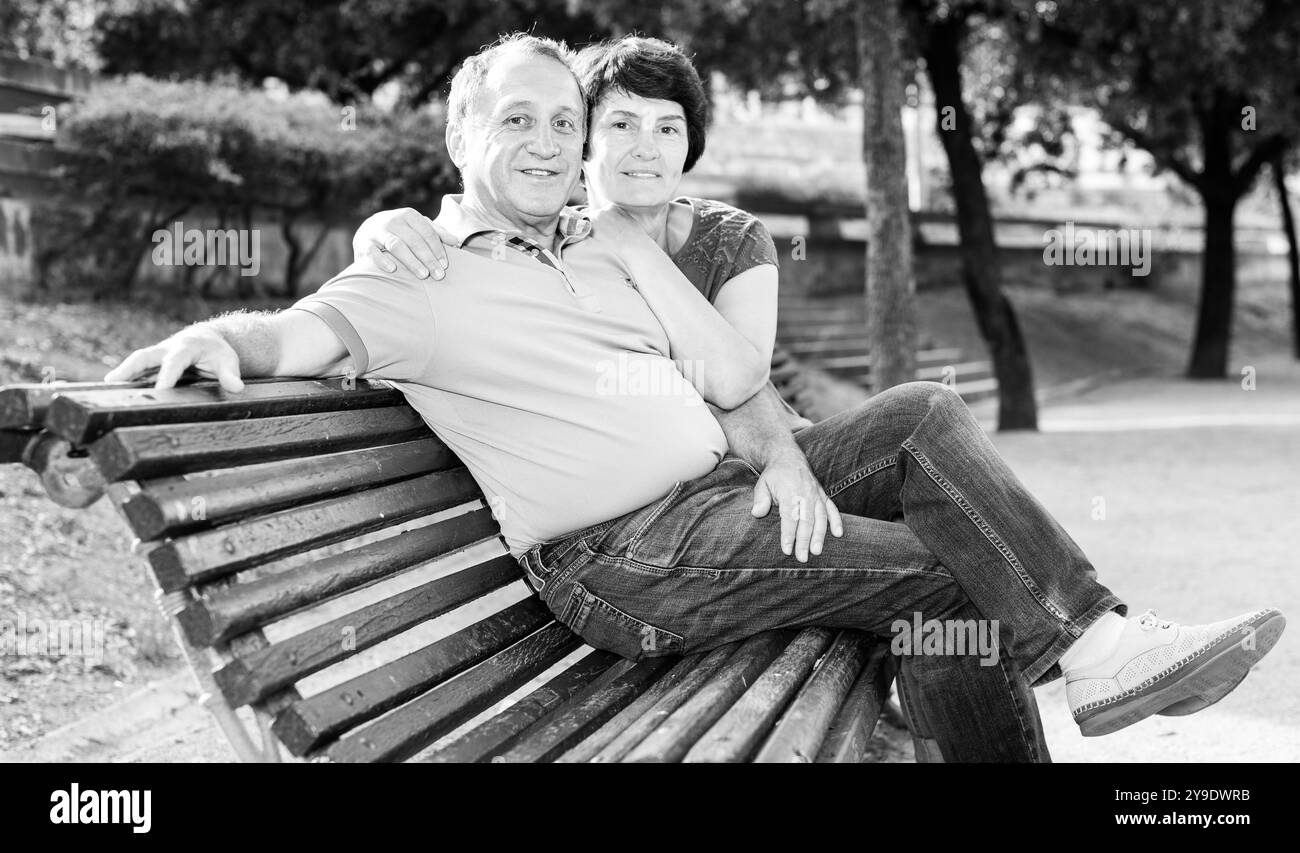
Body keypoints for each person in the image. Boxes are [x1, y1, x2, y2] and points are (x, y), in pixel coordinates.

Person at [105, 33, 1284, 760]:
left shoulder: (595, 244)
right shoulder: (414, 270)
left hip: (718, 493)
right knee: (944, 571)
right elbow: (302, 331)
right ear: (457, 133)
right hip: (626, 560)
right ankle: (1093, 655)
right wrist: (219, 330)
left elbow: (729, 379)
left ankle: (1101, 640)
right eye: (515, 119)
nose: (549, 140)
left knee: (921, 415)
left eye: (563, 122)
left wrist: (635, 260)